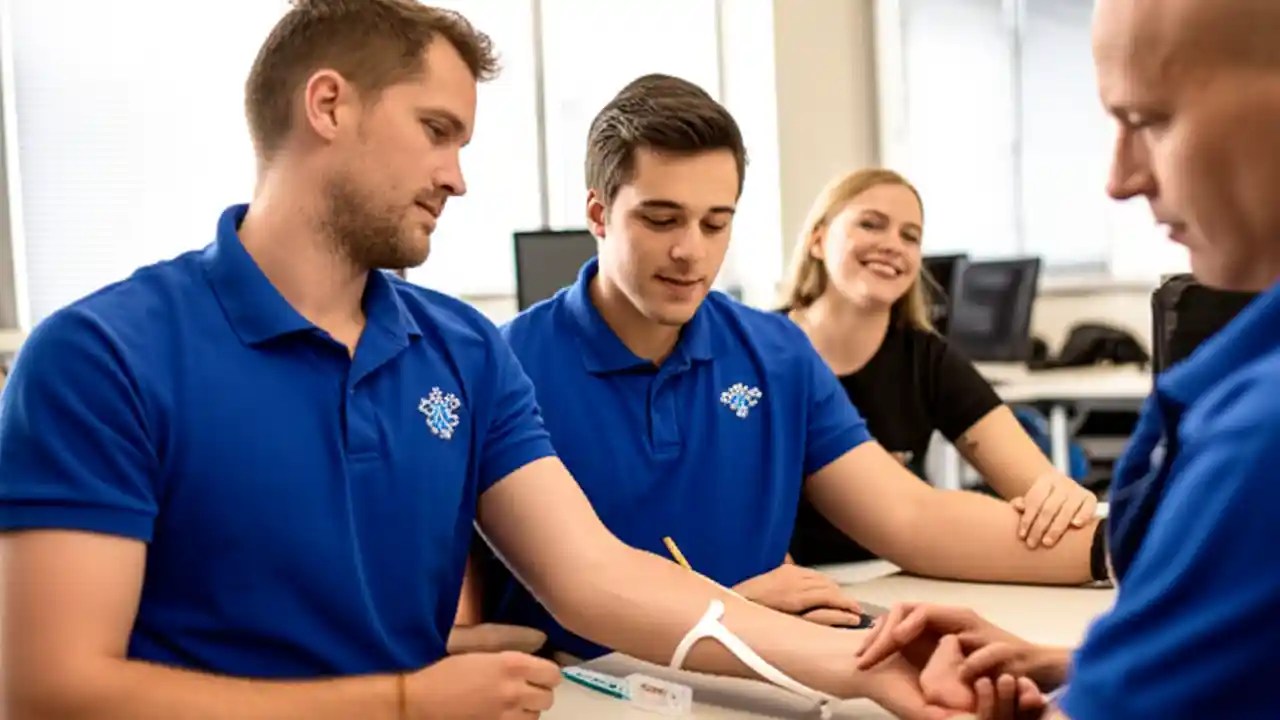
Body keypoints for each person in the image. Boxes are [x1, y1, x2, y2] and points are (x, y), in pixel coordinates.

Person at [0, 3, 978, 719]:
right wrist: (398, 703)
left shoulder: (461, 351)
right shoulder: (99, 357)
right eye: (437, 132)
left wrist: (856, 667)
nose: (457, 178)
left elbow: (596, 575)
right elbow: (52, 688)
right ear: (328, 105)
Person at [479, 72, 1106, 673]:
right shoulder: (504, 367)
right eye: (661, 219)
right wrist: (737, 611)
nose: (690, 250)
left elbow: (913, 519)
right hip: (599, 693)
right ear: (598, 213)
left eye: (715, 223)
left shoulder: (776, 352)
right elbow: (575, 590)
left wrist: (1126, 543)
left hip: (771, 676)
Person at [853, 0, 1280, 716]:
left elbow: (931, 517)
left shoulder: (1257, 436)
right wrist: (1084, 663)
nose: (1118, 178)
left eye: (1150, 120)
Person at [781, 168, 1098, 566]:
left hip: (897, 575)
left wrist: (1059, 495)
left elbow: (1041, 489)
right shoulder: (761, 348)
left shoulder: (928, 358)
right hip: (789, 586)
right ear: (817, 239)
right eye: (870, 224)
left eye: (910, 236)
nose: (892, 245)